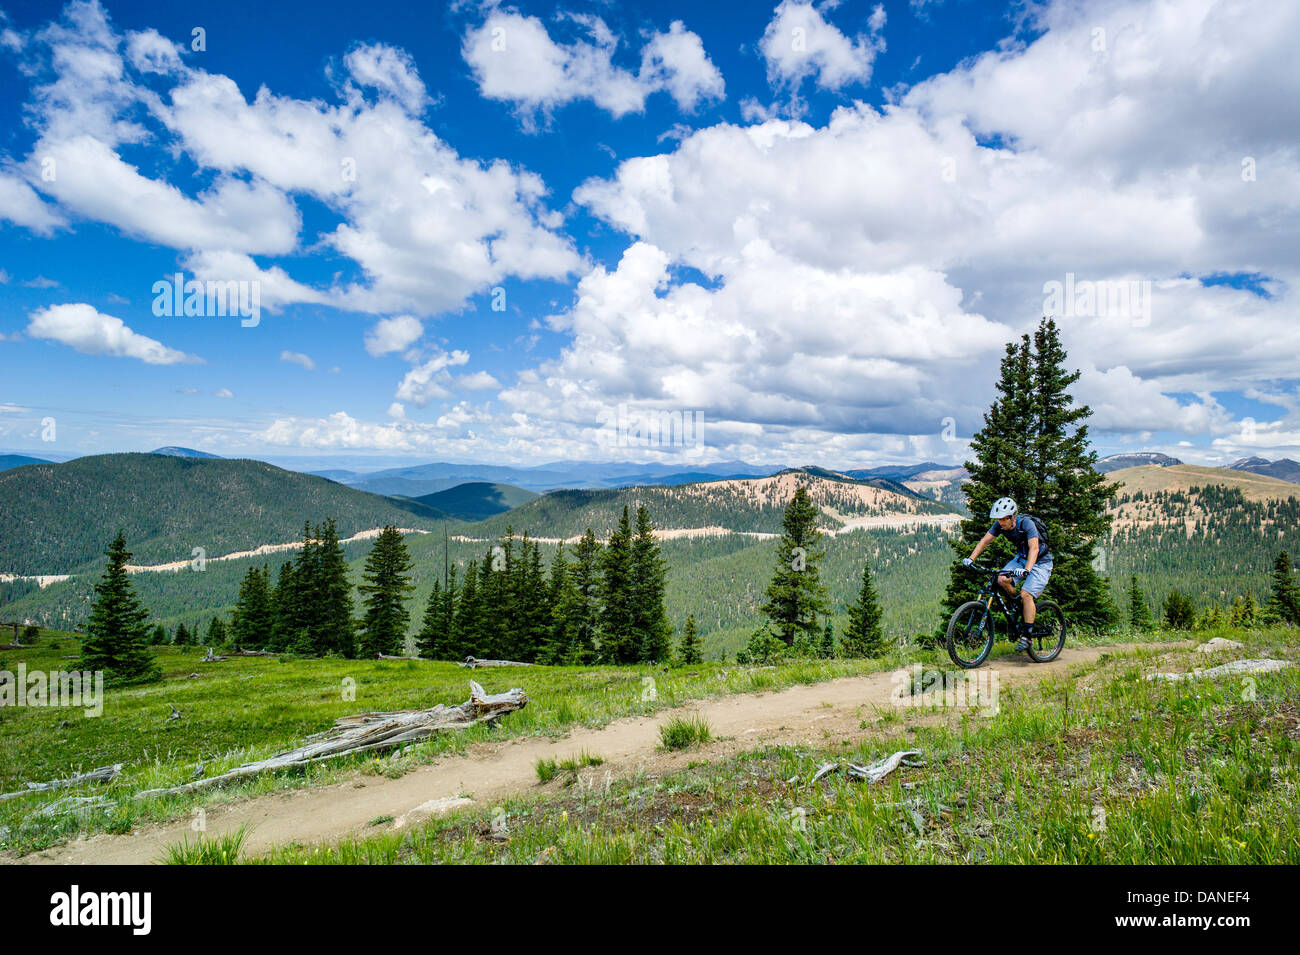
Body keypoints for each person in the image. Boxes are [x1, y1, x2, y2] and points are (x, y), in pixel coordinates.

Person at [963, 497, 1053, 651]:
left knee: (1026, 594)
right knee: (1002, 579)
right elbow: (985, 541)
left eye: (1004, 519)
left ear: (1013, 517)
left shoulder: (1027, 524)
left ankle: (1027, 636)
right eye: (998, 519)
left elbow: (1034, 549)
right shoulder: (999, 525)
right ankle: (1016, 604)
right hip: (1021, 559)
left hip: (1041, 563)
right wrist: (971, 558)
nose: (1001, 523)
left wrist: (1027, 570)